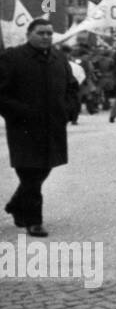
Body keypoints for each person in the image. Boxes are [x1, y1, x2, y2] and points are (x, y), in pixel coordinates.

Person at [0, 19, 79, 237]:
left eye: (49, 33)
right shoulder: (12, 58)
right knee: (29, 171)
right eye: (41, 33)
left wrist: (69, 108)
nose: (46, 37)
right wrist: (20, 111)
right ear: (29, 34)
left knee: (43, 168)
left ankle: (17, 204)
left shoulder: (59, 58)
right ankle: (34, 221)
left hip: (53, 125)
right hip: (23, 127)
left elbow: (72, 87)